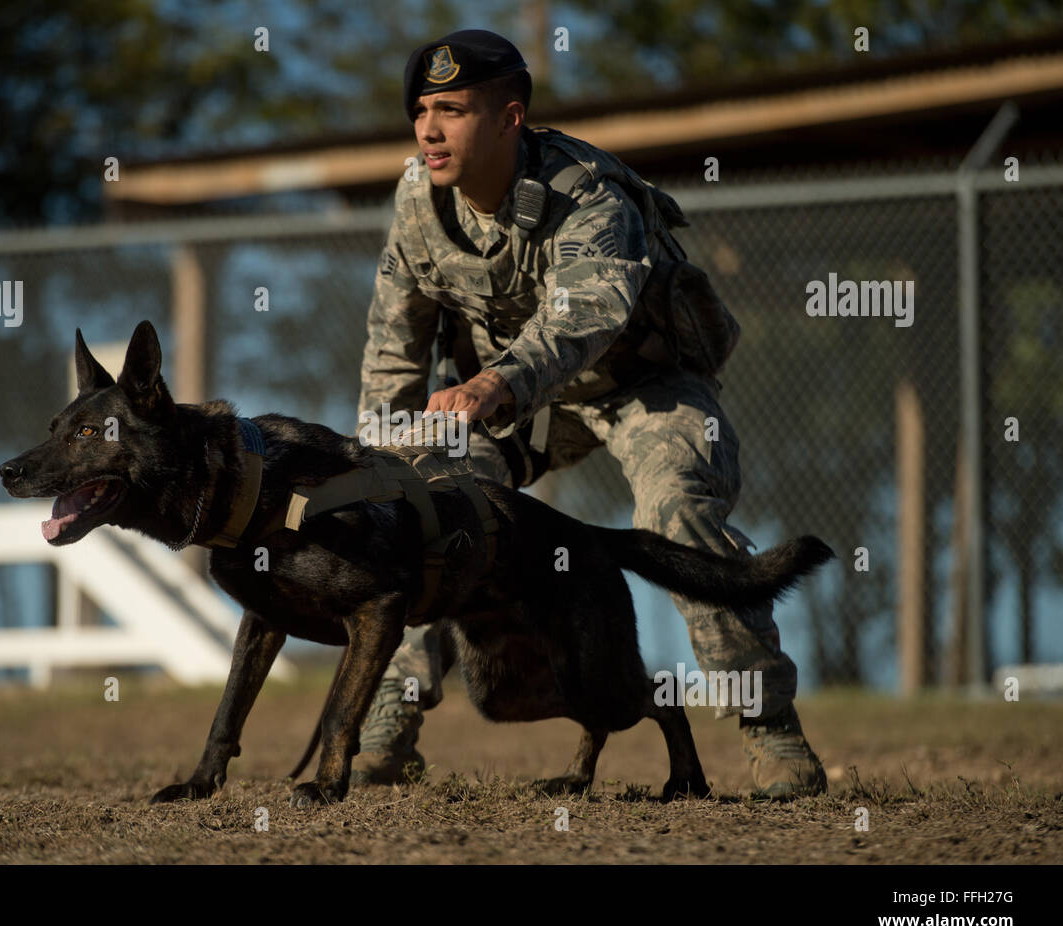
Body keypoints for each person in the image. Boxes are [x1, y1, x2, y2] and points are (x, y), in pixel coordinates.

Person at [352, 29, 826, 798]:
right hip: (519, 404)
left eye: (452, 110)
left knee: (677, 513)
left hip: (637, 383)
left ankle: (770, 731)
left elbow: (584, 318)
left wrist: (494, 383)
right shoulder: (417, 204)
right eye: (420, 111)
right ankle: (387, 725)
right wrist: (371, 462)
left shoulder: (588, 193)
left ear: (509, 118)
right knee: (421, 513)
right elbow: (394, 353)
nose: (429, 130)